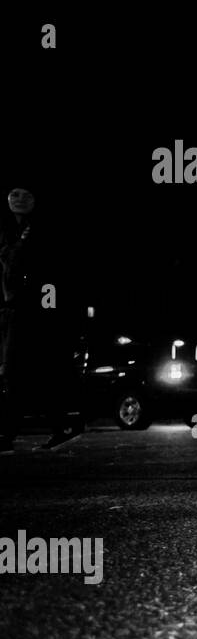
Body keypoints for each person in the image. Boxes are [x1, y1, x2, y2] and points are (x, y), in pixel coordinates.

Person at [0, 185, 84, 452]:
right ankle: (58, 427)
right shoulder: (20, 231)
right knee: (34, 372)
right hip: (26, 308)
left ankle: (12, 432)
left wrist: (47, 308)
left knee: (17, 371)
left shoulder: (31, 234)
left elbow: (33, 272)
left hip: (26, 310)